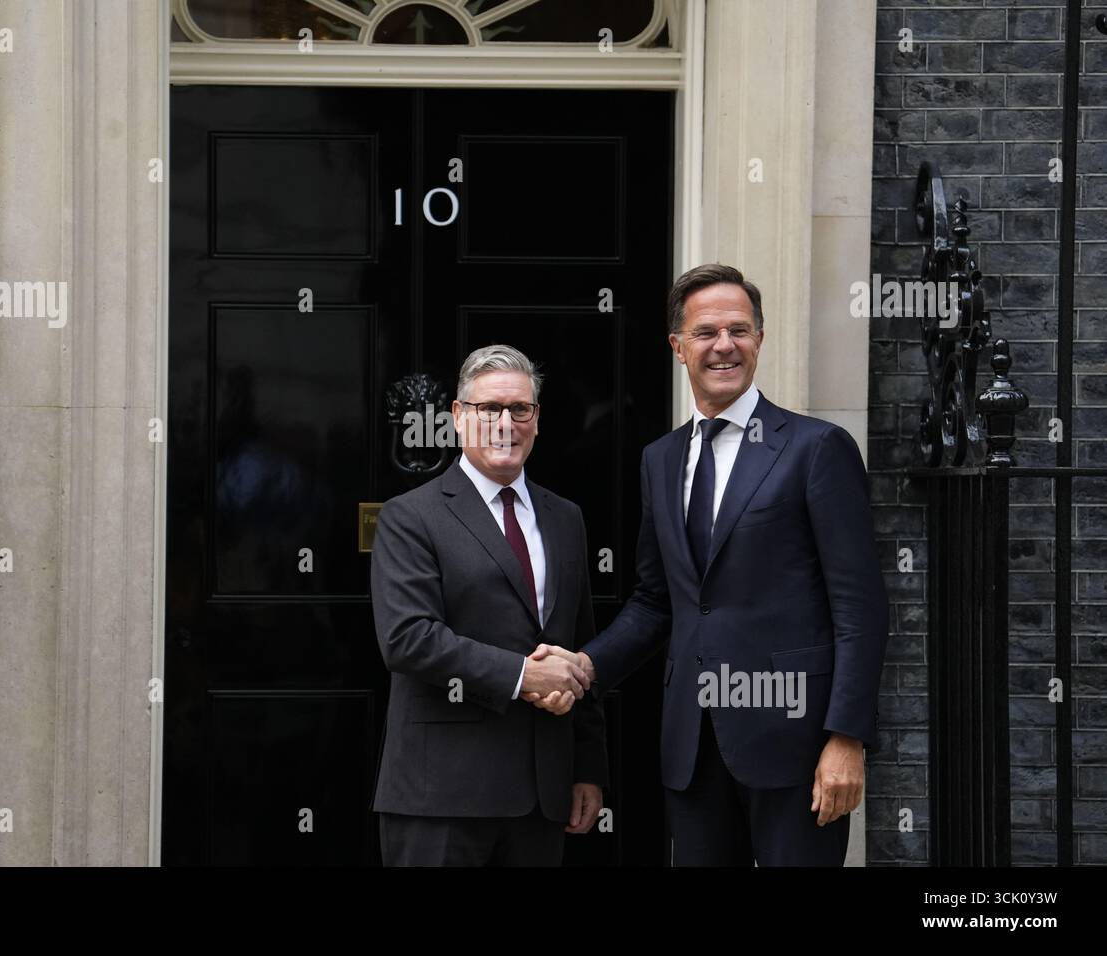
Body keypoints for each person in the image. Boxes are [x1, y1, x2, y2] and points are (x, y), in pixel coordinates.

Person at [529, 264, 888, 866]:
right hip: (692, 747)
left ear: (760, 339)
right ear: (677, 347)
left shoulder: (816, 449)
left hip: (795, 742)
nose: (725, 345)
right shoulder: (660, 459)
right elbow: (655, 601)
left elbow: (861, 605)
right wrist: (586, 666)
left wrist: (847, 738)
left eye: (739, 330)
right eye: (706, 332)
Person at [370, 344, 607, 866]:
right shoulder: (411, 516)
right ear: (458, 417)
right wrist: (524, 676)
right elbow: (408, 639)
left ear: (536, 419)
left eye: (519, 409)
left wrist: (588, 767)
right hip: (442, 796)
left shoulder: (565, 518)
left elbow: (579, 644)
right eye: (489, 409)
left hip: (541, 794)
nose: (506, 422)